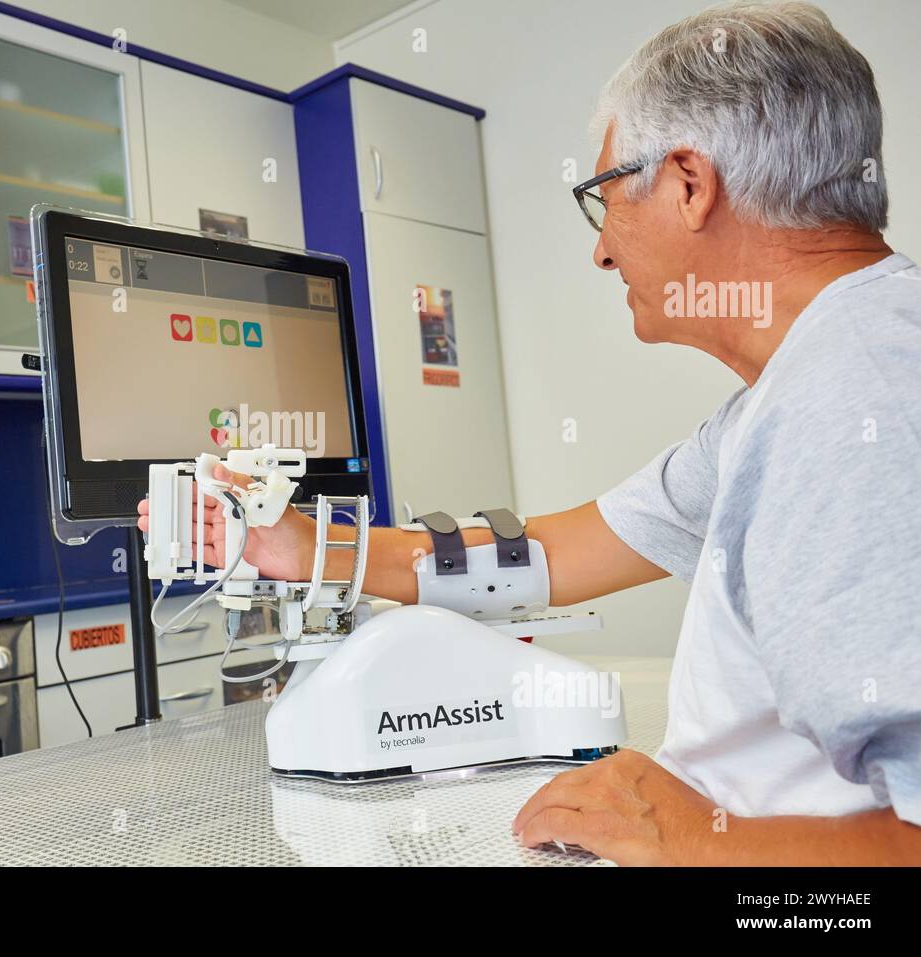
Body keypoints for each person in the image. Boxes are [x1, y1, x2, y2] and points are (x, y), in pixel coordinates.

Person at [139, 1, 921, 865]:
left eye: (607, 197)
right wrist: (302, 546)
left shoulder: (860, 393)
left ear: (691, 184)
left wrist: (692, 837)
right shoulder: (790, 397)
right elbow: (546, 555)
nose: (601, 252)